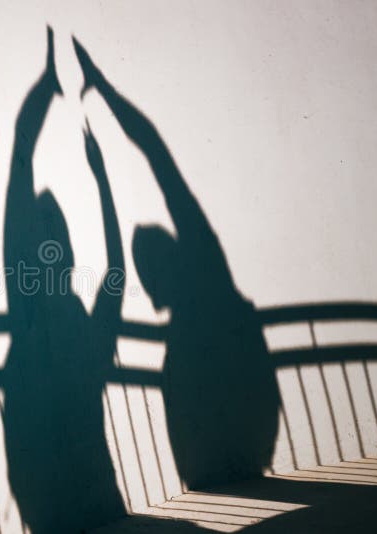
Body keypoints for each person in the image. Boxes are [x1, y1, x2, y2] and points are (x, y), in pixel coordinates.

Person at [73, 37, 280, 489]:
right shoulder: (203, 285)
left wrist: (104, 89)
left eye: (149, 276)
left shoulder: (204, 263)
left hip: (226, 451)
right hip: (236, 447)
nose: (149, 292)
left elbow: (157, 154)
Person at [2, 27, 127, 532]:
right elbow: (20, 160)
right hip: (90, 507)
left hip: (78, 510)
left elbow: (116, 272)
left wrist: (101, 182)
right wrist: (101, 182)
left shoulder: (36, 312)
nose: (44, 229)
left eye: (50, 222)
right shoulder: (37, 309)